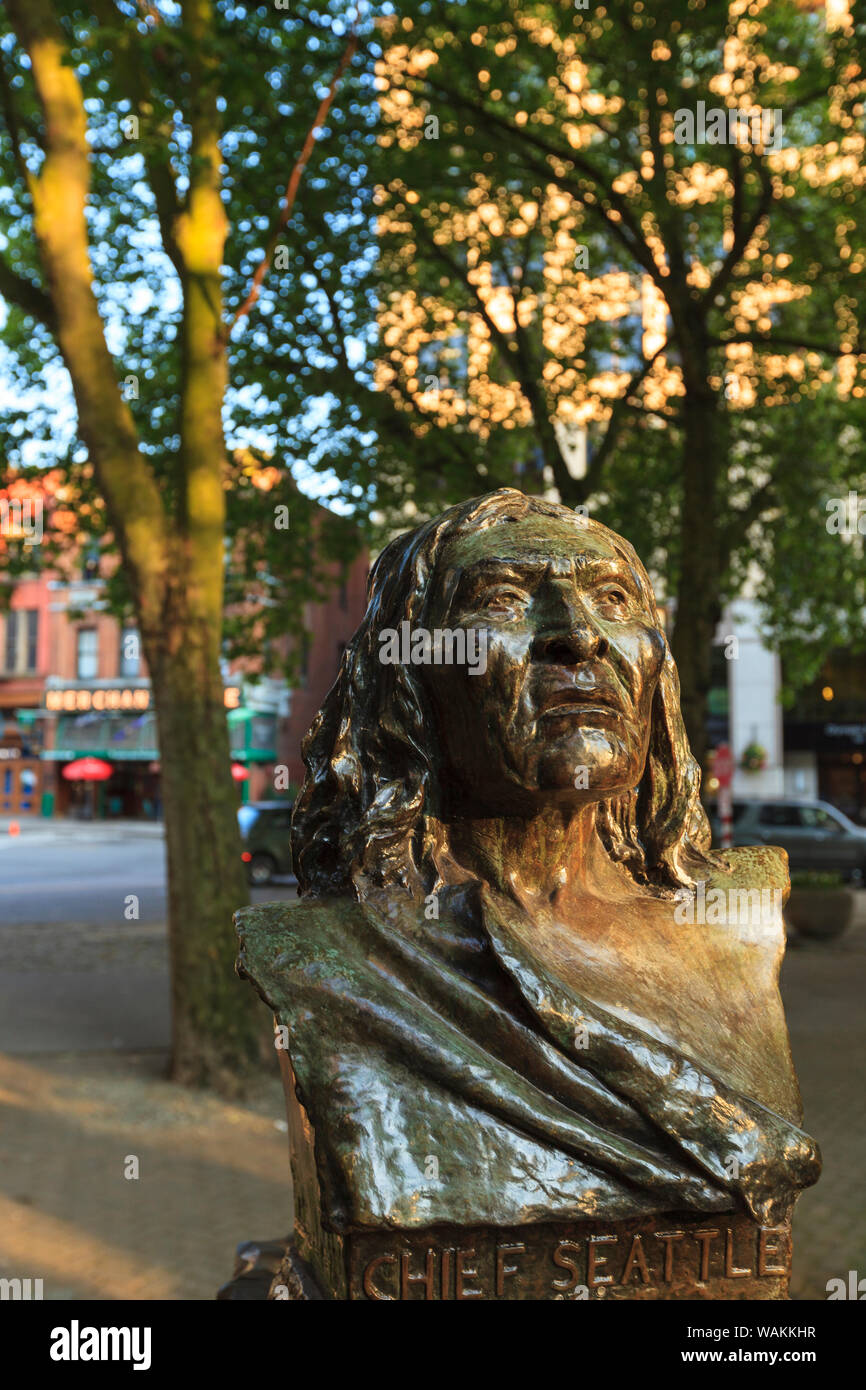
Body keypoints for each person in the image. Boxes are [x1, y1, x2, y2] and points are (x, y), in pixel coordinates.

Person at [238, 489, 820, 1233]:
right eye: (504, 600)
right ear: (412, 683)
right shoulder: (325, 961)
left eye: (613, 598)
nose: (579, 637)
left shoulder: (735, 928)